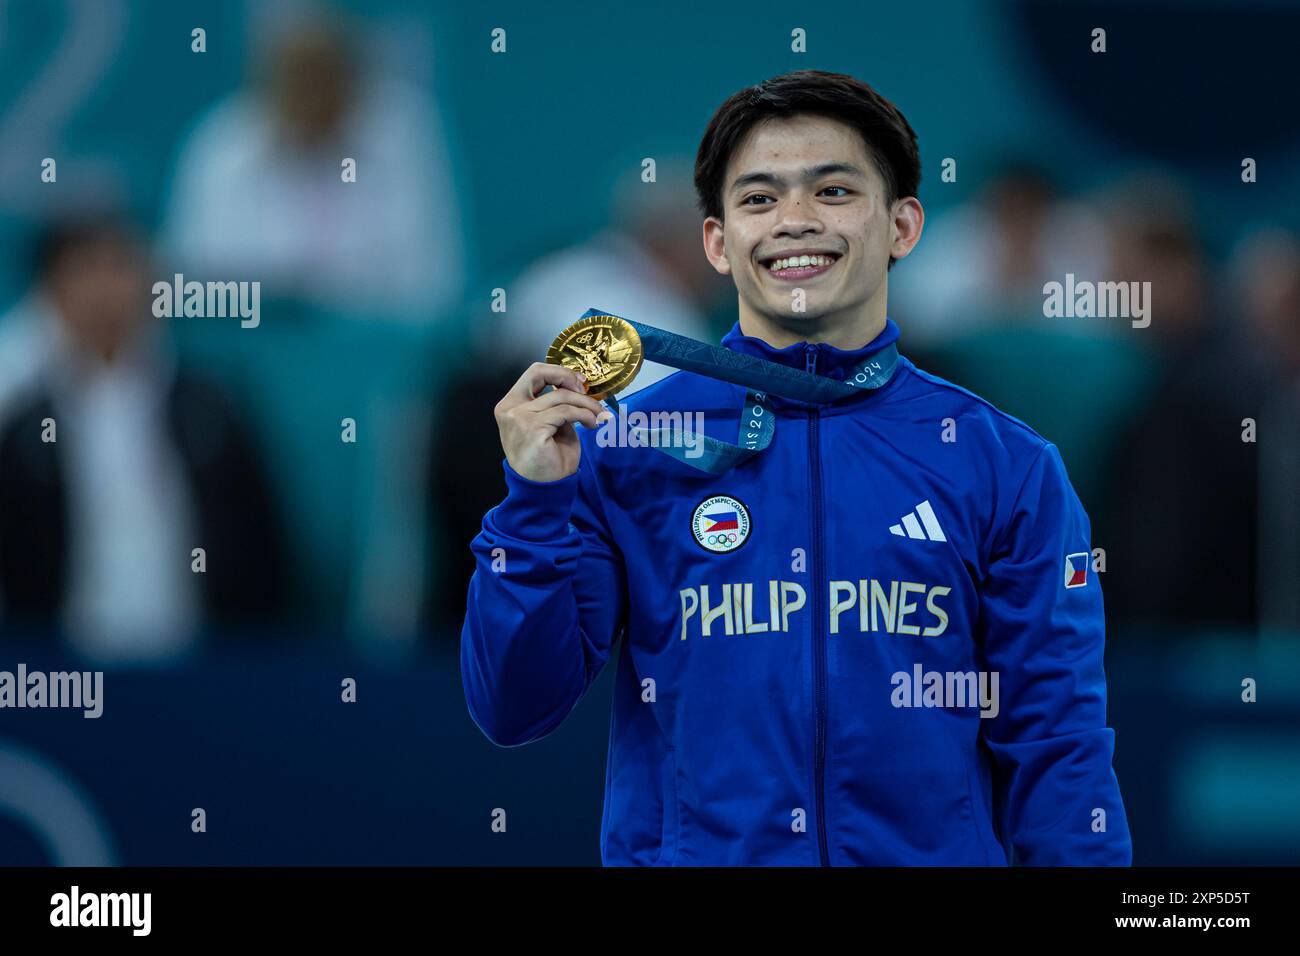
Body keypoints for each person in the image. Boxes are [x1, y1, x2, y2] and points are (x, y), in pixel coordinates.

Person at [460, 70, 1132, 865]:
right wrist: (533, 504)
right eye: (758, 199)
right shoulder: (632, 444)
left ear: (903, 226)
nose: (795, 221)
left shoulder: (1004, 464)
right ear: (717, 241)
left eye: (835, 191)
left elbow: (1058, 744)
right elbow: (513, 706)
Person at [0, 216, 288, 662]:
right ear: (52, 292)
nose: (105, 289)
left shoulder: (208, 410)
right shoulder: (25, 431)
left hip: (198, 665)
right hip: (61, 674)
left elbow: (260, 546)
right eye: (84, 269)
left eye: (120, 267)